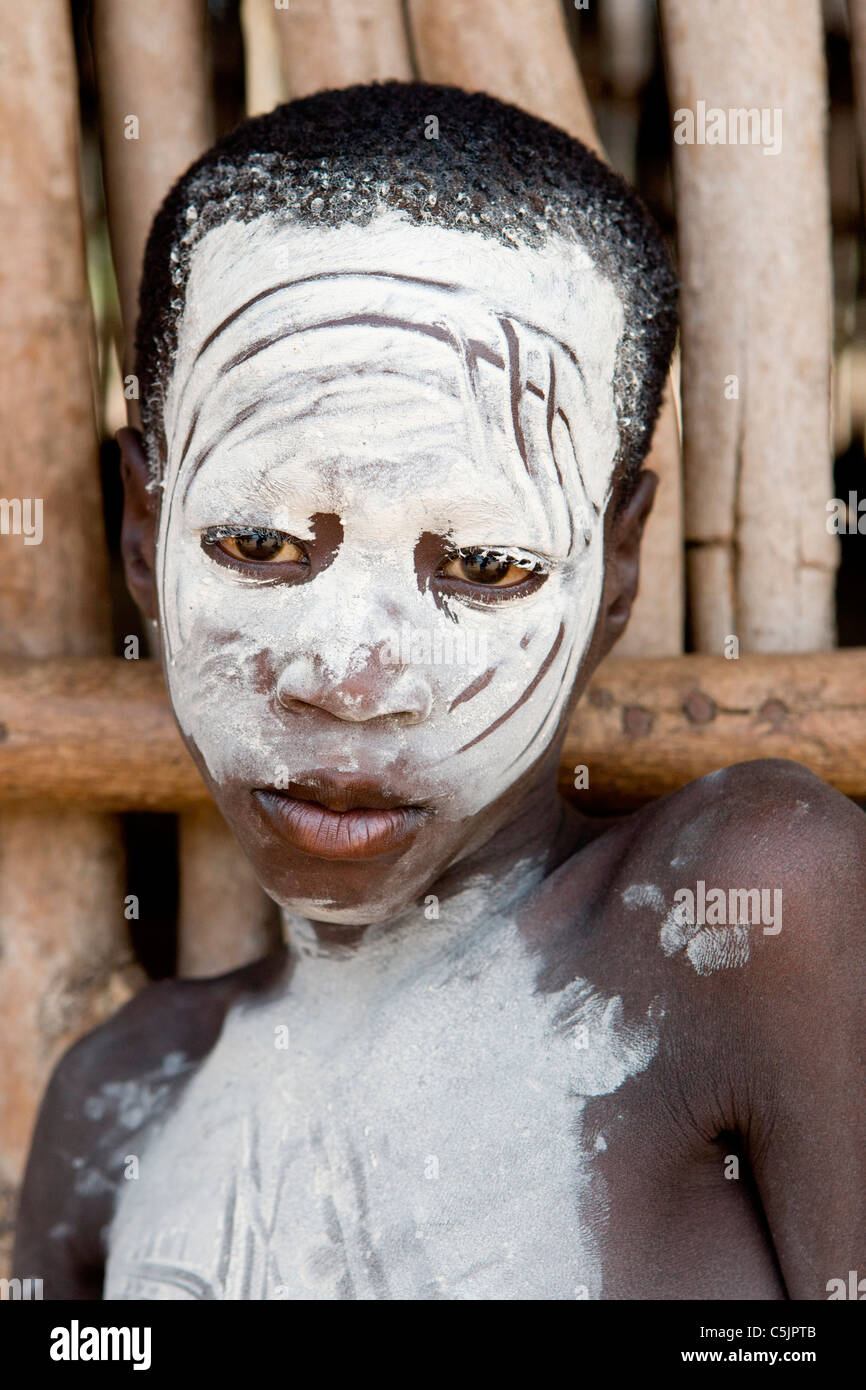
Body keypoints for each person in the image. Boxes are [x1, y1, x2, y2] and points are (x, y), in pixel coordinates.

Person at [13, 82, 865, 1300]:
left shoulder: (739, 922)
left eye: (482, 567)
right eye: (258, 545)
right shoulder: (117, 1105)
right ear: (146, 530)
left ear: (615, 564)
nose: (352, 680)